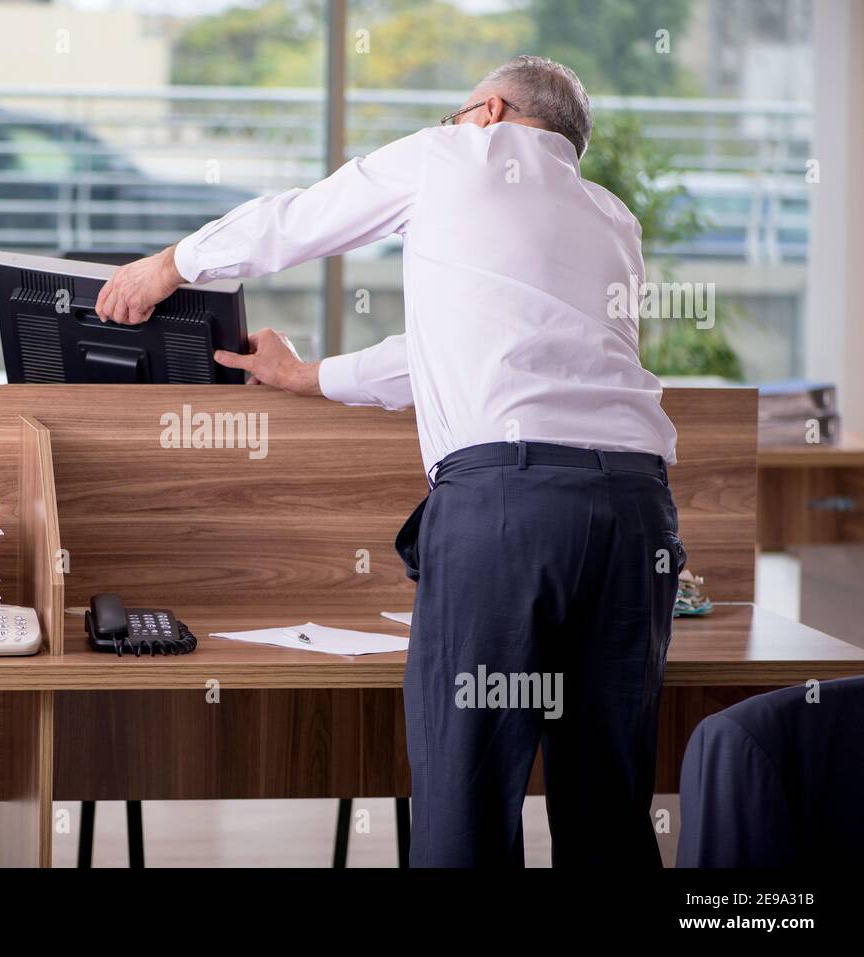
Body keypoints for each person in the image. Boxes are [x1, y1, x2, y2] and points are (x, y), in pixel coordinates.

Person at [94, 55, 682, 867]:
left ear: (488, 110)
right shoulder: (612, 218)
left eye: (457, 114)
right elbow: (468, 349)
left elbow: (300, 219)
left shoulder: (452, 155)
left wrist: (167, 266)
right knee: (610, 812)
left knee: (465, 808)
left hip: (508, 510)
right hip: (637, 513)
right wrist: (305, 375)